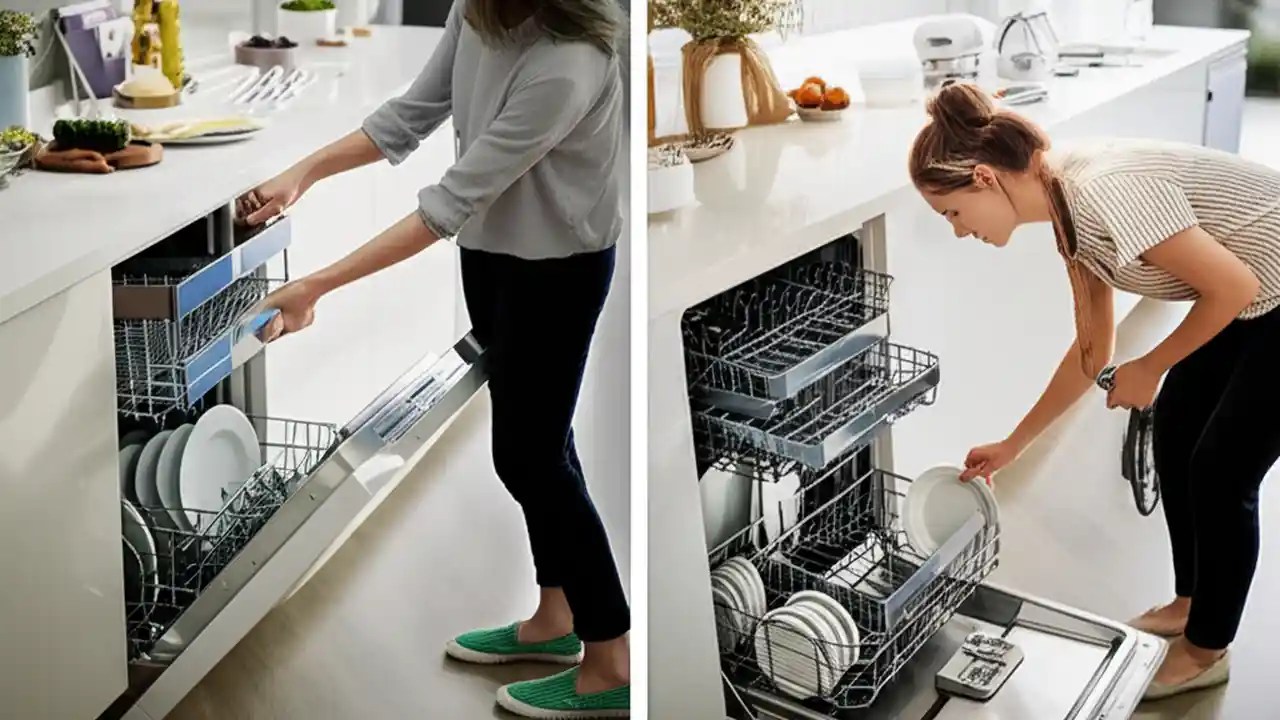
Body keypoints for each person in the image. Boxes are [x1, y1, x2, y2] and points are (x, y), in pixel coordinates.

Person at [236, 0, 630, 716]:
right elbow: (411, 113)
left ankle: (611, 661)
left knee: (529, 456)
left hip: (559, 267)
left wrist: (317, 285)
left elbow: (446, 204)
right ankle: (556, 618)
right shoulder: (480, 10)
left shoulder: (572, 61)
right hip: (490, 255)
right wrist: (307, 171)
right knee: (545, 443)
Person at [909, 80, 1280, 701]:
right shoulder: (1064, 206)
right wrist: (1012, 445)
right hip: (1261, 289)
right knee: (1179, 426)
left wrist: (1153, 364)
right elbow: (1092, 355)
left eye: (951, 213)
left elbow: (1233, 287)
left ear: (983, 178)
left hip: (1265, 289)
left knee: (1221, 470)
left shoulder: (1102, 189)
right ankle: (1194, 601)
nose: (957, 230)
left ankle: (1207, 650)